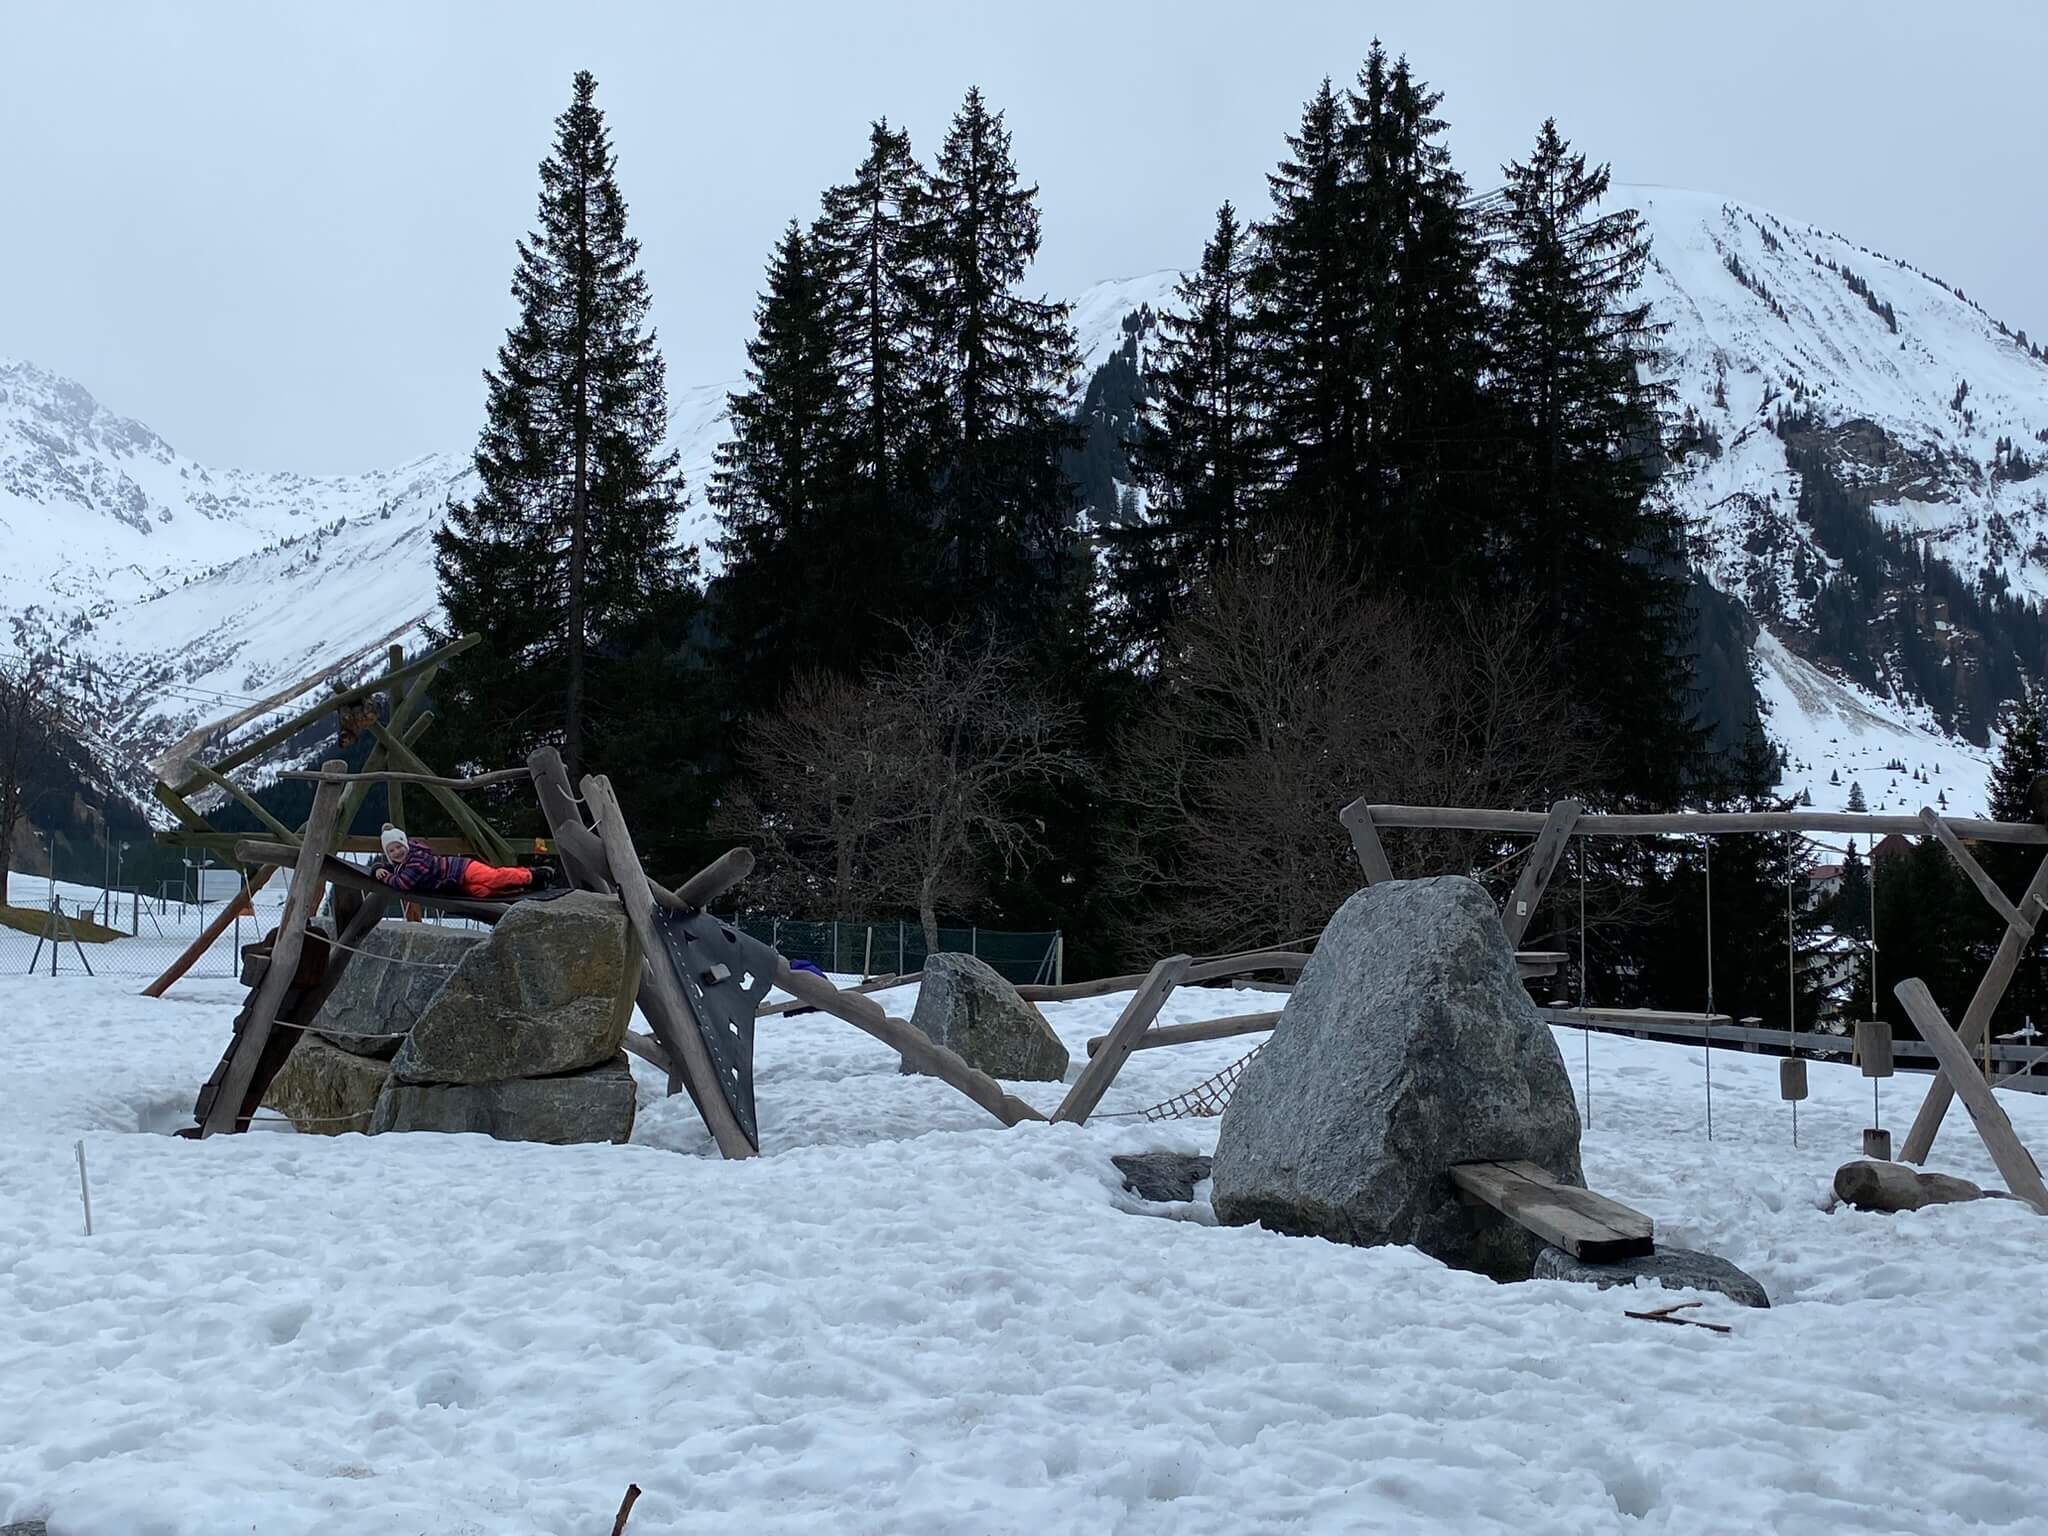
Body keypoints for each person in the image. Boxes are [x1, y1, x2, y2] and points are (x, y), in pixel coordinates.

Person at [371, 824, 548, 899]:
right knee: (483, 892)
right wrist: (378, 867)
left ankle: (533, 875)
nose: (397, 852)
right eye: (391, 851)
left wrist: (384, 878)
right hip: (457, 884)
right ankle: (522, 889)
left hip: (461, 868)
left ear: (405, 844)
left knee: (492, 877)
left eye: (399, 847)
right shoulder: (402, 863)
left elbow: (402, 883)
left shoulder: (417, 858)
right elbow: (392, 868)